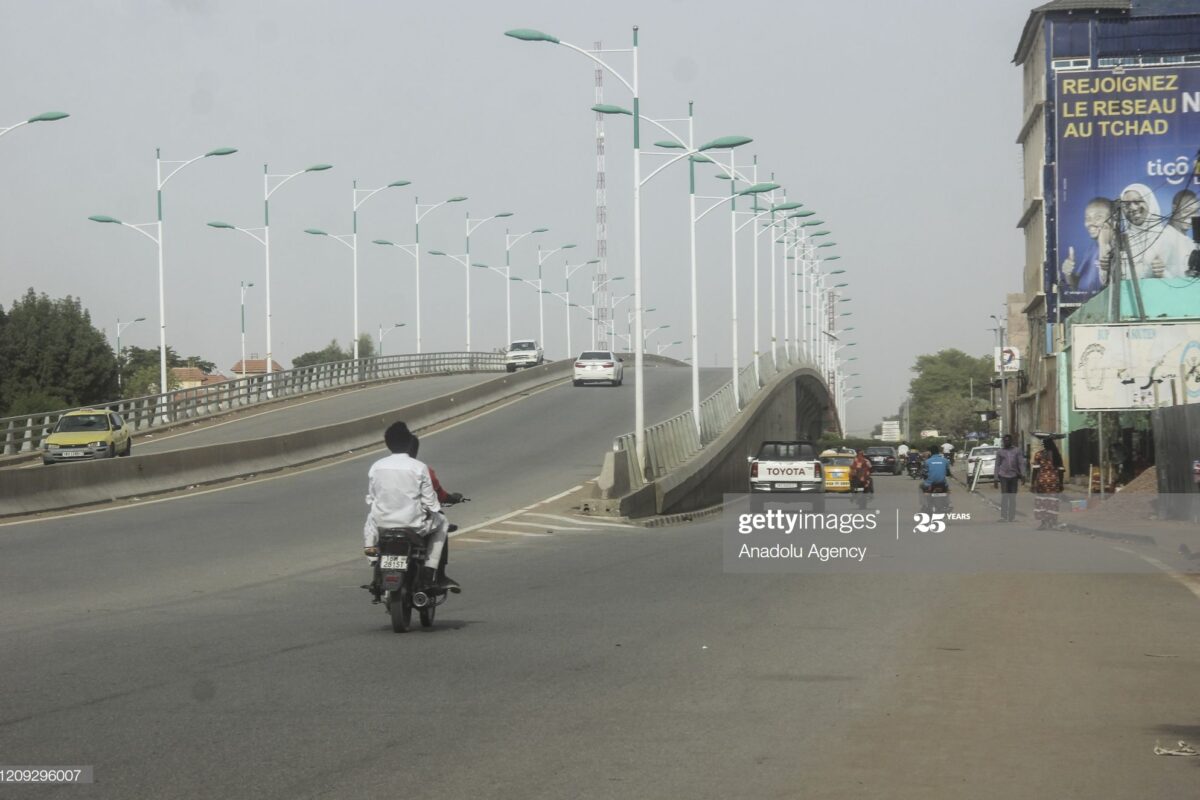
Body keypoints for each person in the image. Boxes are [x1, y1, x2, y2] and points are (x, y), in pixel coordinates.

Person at [362, 422, 459, 595]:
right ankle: (430, 571)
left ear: (387, 443)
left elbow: (372, 497)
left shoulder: (376, 466)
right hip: (413, 525)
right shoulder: (419, 467)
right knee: (442, 522)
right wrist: (433, 509)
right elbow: (431, 502)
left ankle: (373, 561)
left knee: (370, 523)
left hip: (383, 524)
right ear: (409, 443)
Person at [407, 433, 463, 589]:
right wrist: (452, 498)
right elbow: (439, 494)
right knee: (442, 523)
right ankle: (437, 574)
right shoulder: (422, 469)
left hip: (385, 521)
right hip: (416, 521)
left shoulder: (380, 468)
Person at [1119, 183, 1192, 280]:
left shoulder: (1167, 237)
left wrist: (1162, 273)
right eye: (1127, 204)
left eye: (1137, 202)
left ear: (1149, 202)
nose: (1132, 207)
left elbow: (1181, 282)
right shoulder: (1121, 240)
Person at [1061, 197, 1113, 296]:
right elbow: (1076, 287)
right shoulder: (1092, 249)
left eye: (1098, 217)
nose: (1090, 223)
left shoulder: (1121, 248)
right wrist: (1068, 274)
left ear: (1113, 219)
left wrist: (1104, 244)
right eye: (1087, 218)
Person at [1030, 437, 1065, 530]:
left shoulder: (1039, 454)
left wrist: (1032, 483)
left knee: (1042, 502)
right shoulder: (1057, 455)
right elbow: (1061, 471)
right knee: (1052, 502)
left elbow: (1035, 470)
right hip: (1054, 482)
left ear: (1044, 445)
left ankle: (1044, 523)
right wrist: (1061, 483)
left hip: (1042, 482)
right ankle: (1052, 522)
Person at [994, 434, 1027, 523]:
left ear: (1011, 441)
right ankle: (1004, 517)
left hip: (1014, 476)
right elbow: (997, 465)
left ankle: (1011, 517)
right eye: (1005, 440)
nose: (1006, 442)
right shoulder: (1000, 452)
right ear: (1003, 442)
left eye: (1008, 440)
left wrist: (1023, 475)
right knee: (1005, 496)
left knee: (1012, 497)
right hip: (1003, 476)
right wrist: (996, 478)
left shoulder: (1017, 450)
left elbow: (1021, 463)